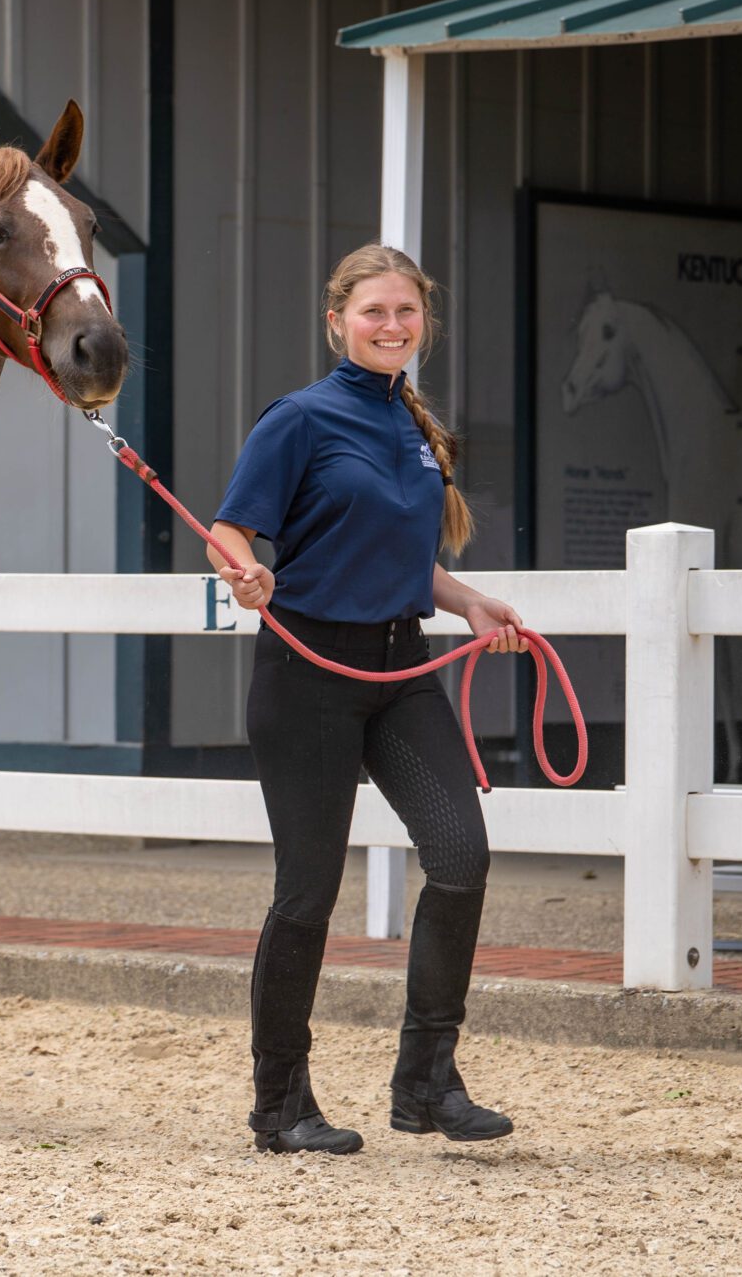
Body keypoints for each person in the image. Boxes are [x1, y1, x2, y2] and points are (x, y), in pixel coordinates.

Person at [207, 244, 525, 1155]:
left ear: (424, 322)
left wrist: (469, 602)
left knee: (460, 854)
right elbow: (229, 532)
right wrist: (246, 572)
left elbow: (399, 556)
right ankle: (280, 1103)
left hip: (400, 670)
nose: (392, 325)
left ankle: (426, 1083)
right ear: (337, 321)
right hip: (307, 672)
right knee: (308, 893)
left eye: (406, 311)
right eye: (374, 311)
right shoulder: (299, 419)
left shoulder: (416, 426)